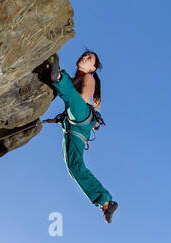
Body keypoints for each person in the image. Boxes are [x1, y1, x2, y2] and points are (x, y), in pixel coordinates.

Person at [37, 51, 119, 224]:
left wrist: (69, 108)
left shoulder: (89, 78)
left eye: (89, 58)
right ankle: (105, 202)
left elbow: (81, 98)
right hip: (74, 125)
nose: (84, 57)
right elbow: (72, 100)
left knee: (70, 97)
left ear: (93, 68)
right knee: (74, 166)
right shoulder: (76, 81)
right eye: (84, 55)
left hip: (81, 117)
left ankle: (57, 74)